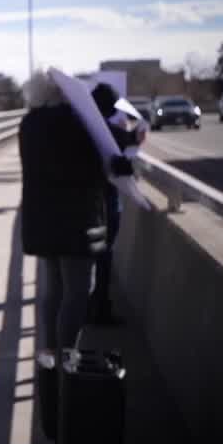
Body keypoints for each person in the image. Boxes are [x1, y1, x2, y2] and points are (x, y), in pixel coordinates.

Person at [17, 71, 132, 439]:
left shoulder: (29, 124)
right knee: (79, 292)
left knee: (53, 292)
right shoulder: (72, 124)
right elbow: (98, 159)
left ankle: (51, 362)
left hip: (43, 222)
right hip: (76, 222)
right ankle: (67, 363)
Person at [88, 83, 144, 325]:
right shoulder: (110, 131)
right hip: (107, 201)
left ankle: (91, 305)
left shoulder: (86, 128)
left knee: (91, 257)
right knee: (104, 255)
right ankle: (99, 308)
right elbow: (133, 140)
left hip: (87, 200)